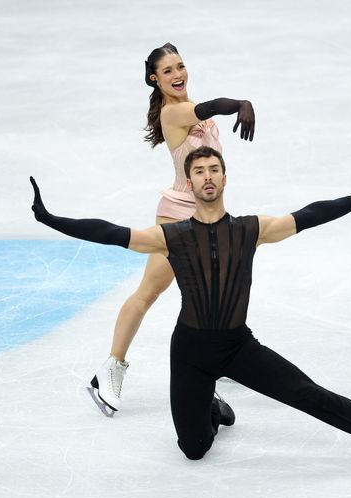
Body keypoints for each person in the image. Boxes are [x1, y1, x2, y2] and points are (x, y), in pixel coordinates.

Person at [28, 147, 351, 468]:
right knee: (193, 450)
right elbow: (109, 232)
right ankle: (211, 404)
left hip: (239, 348)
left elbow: (309, 215)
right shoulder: (170, 237)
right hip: (190, 353)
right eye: (199, 171)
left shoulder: (251, 229)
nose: (207, 177)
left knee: (311, 396)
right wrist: (51, 219)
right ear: (188, 183)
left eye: (213, 170)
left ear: (224, 177)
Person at [92, 43, 256, 413]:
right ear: (155, 79)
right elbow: (212, 107)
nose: (177, 74)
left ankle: (210, 365)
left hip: (205, 216)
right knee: (150, 291)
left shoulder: (184, 106)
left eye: (180, 66)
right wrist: (242, 103)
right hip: (178, 218)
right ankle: (111, 367)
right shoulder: (174, 113)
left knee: (210, 295)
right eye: (167, 71)